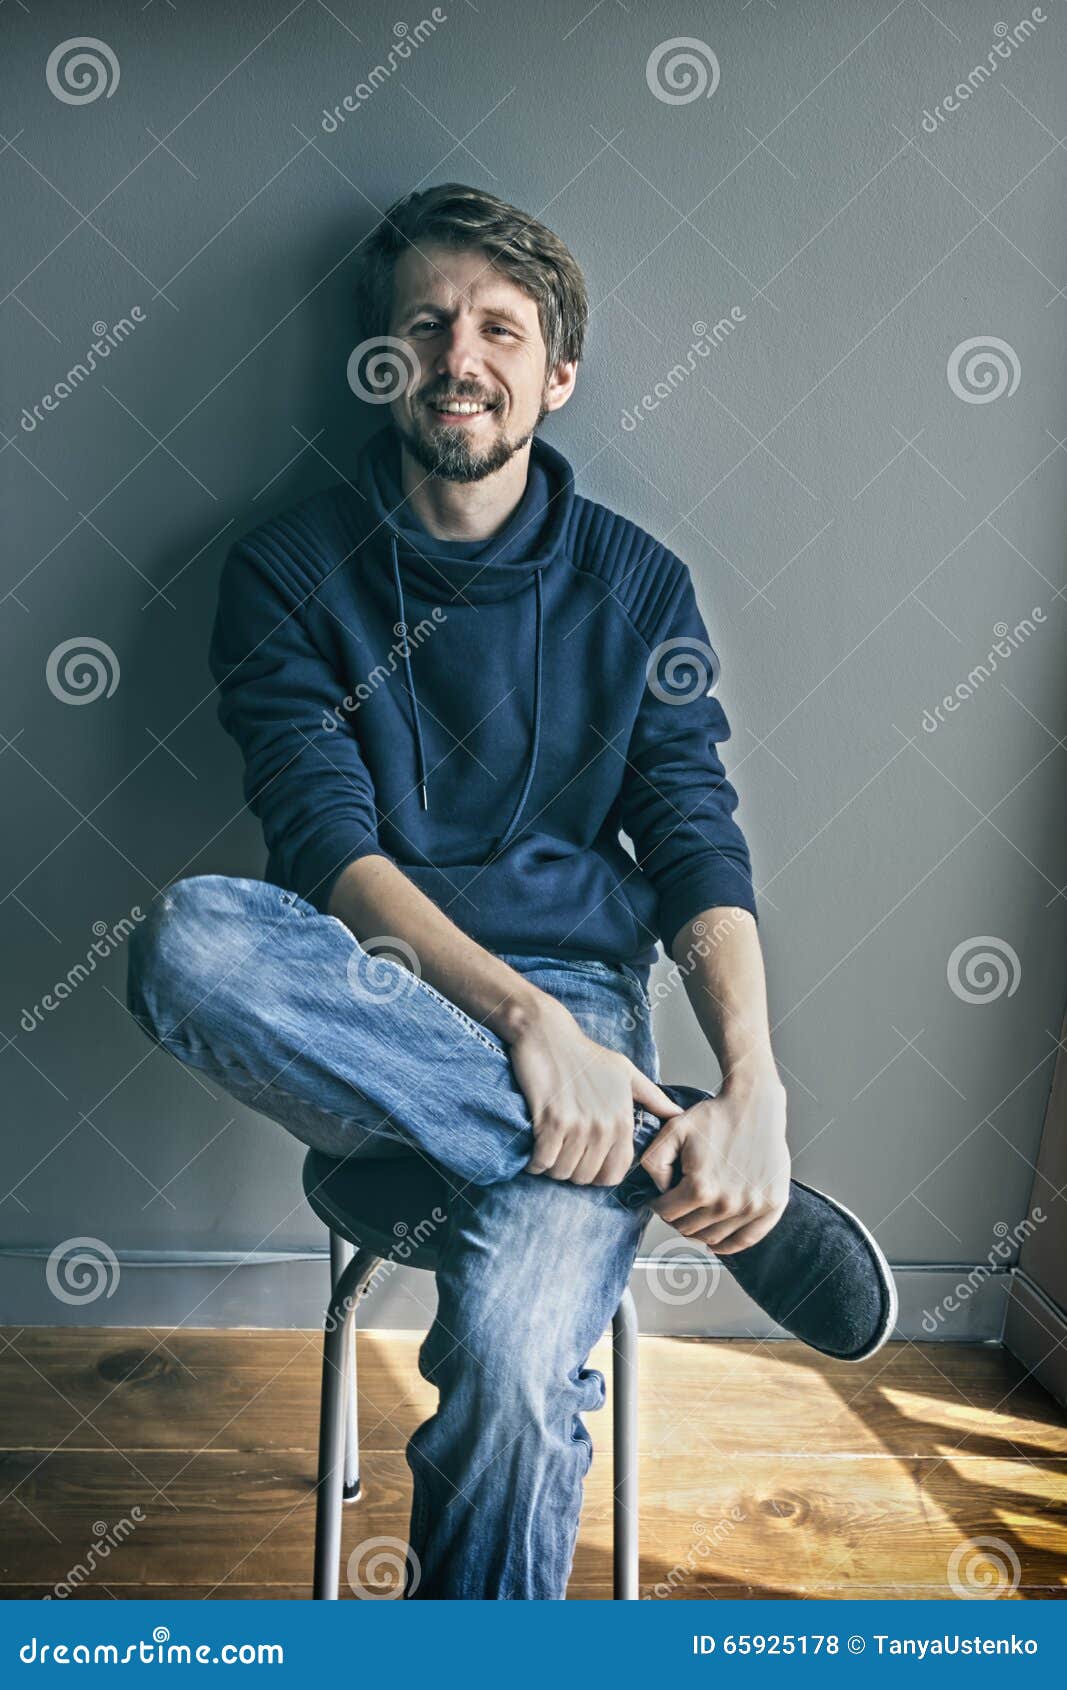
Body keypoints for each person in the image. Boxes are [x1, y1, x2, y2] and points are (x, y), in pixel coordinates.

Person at [127, 183, 895, 1601]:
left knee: (526, 1364)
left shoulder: (638, 587)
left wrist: (760, 1082)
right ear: (381, 362)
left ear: (559, 373)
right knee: (189, 941)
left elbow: (695, 845)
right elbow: (328, 855)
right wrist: (527, 1029)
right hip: (377, 1005)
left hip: (591, 1007)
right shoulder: (285, 573)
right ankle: (658, 1149)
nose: (457, 356)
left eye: (497, 327)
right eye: (423, 326)